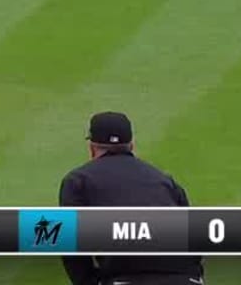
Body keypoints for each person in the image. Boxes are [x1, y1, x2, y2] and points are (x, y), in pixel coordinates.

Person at [60, 112, 206, 285]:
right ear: (131, 145)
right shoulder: (164, 180)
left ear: (92, 148)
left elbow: (70, 242)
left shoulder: (78, 180)